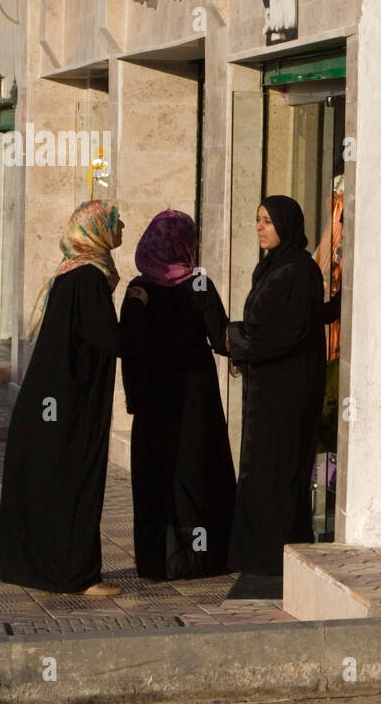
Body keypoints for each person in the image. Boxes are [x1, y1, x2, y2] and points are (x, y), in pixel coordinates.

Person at [0, 200, 125, 596]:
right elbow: (108, 339)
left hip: (50, 400)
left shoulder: (68, 274)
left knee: (50, 484)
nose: (121, 226)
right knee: (74, 482)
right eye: (114, 221)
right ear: (97, 230)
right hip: (70, 404)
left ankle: (35, 568)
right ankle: (78, 576)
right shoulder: (88, 278)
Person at [119, 210, 236, 580]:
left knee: (156, 476)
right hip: (194, 398)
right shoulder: (199, 284)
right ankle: (201, 559)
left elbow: (129, 350)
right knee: (196, 471)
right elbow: (222, 339)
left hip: (155, 397)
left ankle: (158, 561)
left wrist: (134, 399)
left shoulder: (139, 290)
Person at [227, 195, 326, 576]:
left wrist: (236, 340)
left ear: (286, 224)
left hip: (288, 392)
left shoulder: (301, 271)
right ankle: (257, 556)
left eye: (267, 221)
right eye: (257, 220)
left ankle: (278, 556)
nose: (260, 228)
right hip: (264, 390)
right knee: (259, 471)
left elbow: (291, 333)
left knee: (279, 470)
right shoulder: (270, 267)